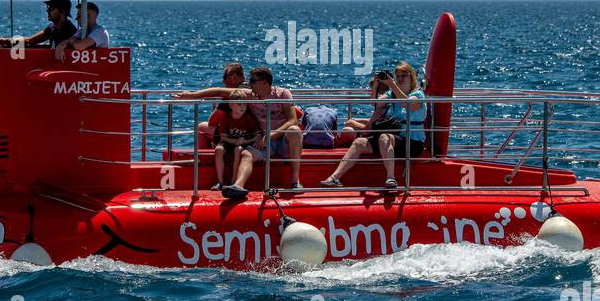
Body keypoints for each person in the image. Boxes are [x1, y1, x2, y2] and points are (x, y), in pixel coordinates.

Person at [176, 66, 304, 193]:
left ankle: (295, 181)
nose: (249, 84)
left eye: (252, 81)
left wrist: (271, 135)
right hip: (263, 141)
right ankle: (238, 186)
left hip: (281, 140)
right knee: (246, 154)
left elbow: (292, 120)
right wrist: (193, 95)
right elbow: (219, 91)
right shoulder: (250, 95)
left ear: (264, 82)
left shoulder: (282, 94)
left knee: (294, 130)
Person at [321, 62, 426, 190]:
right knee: (359, 142)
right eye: (397, 76)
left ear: (411, 77)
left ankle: (391, 179)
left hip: (412, 142)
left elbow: (407, 104)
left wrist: (392, 85)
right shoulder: (391, 95)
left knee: (384, 137)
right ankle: (335, 177)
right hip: (393, 139)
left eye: (403, 75)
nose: (400, 79)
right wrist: (376, 84)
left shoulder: (418, 95)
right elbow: (375, 103)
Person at [0, 0, 77, 58]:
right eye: (48, 8)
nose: (47, 10)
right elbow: (30, 41)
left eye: (51, 8)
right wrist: (6, 40)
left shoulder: (71, 32)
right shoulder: (52, 28)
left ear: (62, 12)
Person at [210, 94, 262, 197]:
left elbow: (257, 136)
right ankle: (220, 182)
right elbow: (223, 137)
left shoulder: (249, 118)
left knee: (238, 150)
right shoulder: (226, 117)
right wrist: (234, 141)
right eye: (239, 104)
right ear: (231, 105)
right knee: (219, 149)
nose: (242, 107)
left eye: (244, 105)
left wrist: (244, 141)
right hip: (230, 142)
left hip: (244, 143)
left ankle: (234, 181)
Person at [198, 63, 245, 146]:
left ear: (234, 77)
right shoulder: (250, 89)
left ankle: (204, 157)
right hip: (251, 134)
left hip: (235, 136)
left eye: (225, 77)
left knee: (201, 127)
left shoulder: (233, 96)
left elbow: (212, 121)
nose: (223, 81)